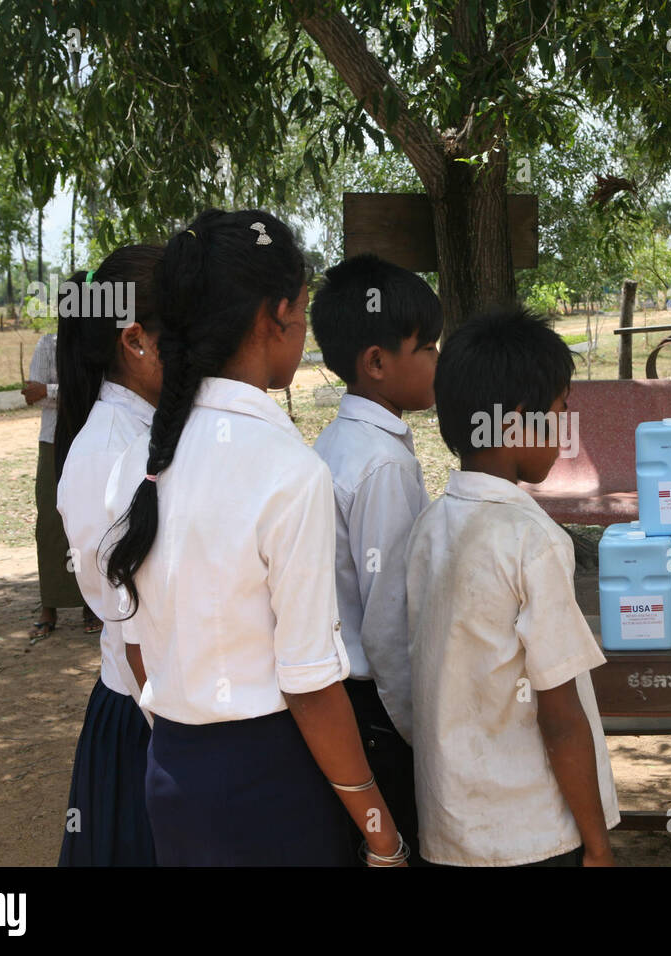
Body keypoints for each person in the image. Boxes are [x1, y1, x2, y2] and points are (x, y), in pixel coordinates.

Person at [104, 209, 405, 866]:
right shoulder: (289, 471)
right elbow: (309, 686)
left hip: (173, 774)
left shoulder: (137, 463)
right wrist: (382, 832)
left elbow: (136, 651)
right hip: (271, 785)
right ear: (277, 318)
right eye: (300, 309)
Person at [407, 305, 620, 867]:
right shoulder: (534, 540)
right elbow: (560, 714)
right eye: (559, 413)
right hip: (532, 836)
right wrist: (598, 846)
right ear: (519, 421)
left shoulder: (428, 528)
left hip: (450, 830)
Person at [310, 253, 442, 864]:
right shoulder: (383, 465)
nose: (438, 362)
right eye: (428, 347)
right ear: (378, 362)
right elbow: (389, 624)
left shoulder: (338, 442)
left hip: (350, 701)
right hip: (380, 712)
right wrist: (424, 735)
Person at [53, 246, 164, 866]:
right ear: (137, 341)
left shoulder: (145, 431)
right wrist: (184, 753)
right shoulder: (110, 454)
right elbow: (134, 630)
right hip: (147, 722)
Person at [25, 330, 97, 637]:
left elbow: (94, 390)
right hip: (52, 441)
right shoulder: (48, 344)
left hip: (91, 439)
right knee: (51, 523)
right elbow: (31, 394)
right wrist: (64, 393)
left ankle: (92, 604)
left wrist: (51, 392)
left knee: (91, 521)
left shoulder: (98, 343)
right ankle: (49, 604)